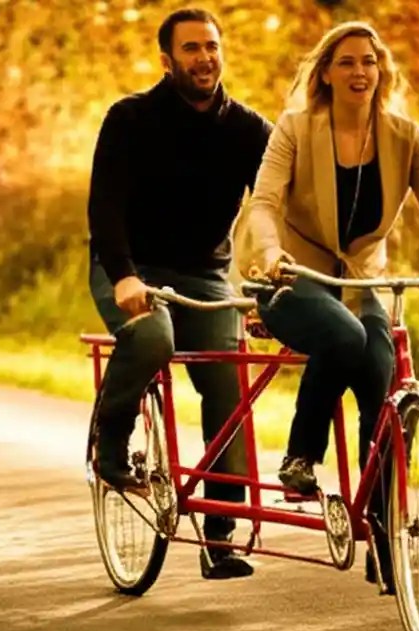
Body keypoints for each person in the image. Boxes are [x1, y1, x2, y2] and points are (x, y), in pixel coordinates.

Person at [245, 21, 419, 590]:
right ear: (326, 73)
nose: (360, 71)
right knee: (343, 336)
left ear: (381, 71)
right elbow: (264, 203)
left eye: (369, 61)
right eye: (347, 62)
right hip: (290, 275)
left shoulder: (404, 136)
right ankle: (300, 459)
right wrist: (269, 253)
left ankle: (382, 516)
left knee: (380, 373)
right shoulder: (294, 128)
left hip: (363, 280)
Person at [87, 8, 274, 580]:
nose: (205, 58)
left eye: (212, 47)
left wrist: (270, 287)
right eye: (191, 49)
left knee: (228, 375)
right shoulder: (130, 119)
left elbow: (275, 213)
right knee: (153, 338)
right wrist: (123, 276)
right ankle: (110, 437)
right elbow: (106, 208)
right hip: (130, 265)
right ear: (167, 61)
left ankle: (220, 529)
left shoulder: (248, 130)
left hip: (205, 274)